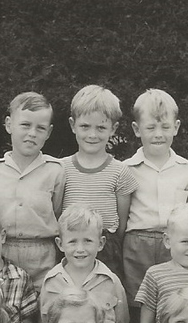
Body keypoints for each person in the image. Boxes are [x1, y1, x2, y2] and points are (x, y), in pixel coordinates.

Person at [122, 89, 188, 323]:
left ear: (176, 127)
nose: (159, 134)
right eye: (150, 128)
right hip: (137, 246)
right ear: (137, 130)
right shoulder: (126, 169)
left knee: (175, 307)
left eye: (165, 127)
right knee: (139, 311)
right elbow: (122, 216)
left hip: (175, 246)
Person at [0, 91, 65, 288]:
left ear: (49, 132)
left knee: (43, 304)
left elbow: (58, 211)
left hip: (42, 253)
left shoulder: (55, 171)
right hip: (2, 251)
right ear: (9, 124)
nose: (32, 133)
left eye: (40, 128)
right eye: (25, 125)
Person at [60, 85, 138, 278]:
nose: (92, 135)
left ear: (114, 129)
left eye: (101, 127)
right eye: (85, 126)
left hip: (106, 248)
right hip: (71, 246)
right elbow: (56, 211)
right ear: (72, 125)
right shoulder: (60, 168)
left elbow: (121, 223)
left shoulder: (120, 171)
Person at [39, 205, 129, 323]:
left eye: (88, 241)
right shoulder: (51, 282)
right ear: (60, 244)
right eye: (72, 242)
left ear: (100, 243)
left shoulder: (110, 281)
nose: (80, 249)